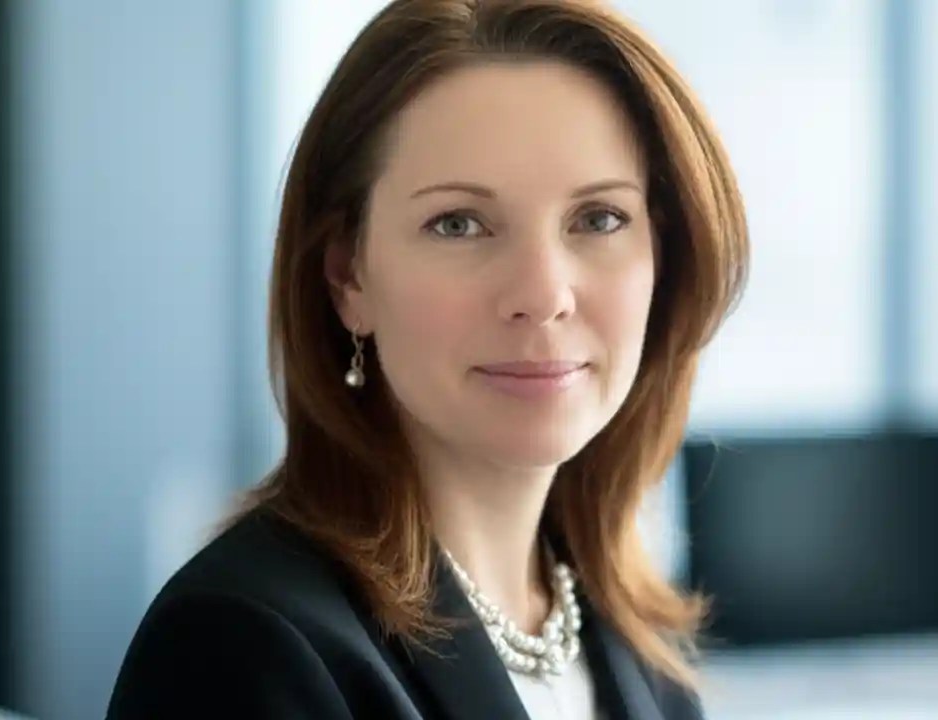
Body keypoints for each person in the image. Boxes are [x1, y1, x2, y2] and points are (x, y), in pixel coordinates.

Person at [106, 0, 747, 717]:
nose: (542, 295)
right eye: (460, 223)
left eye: (599, 219)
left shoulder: (639, 651)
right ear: (348, 277)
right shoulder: (240, 649)